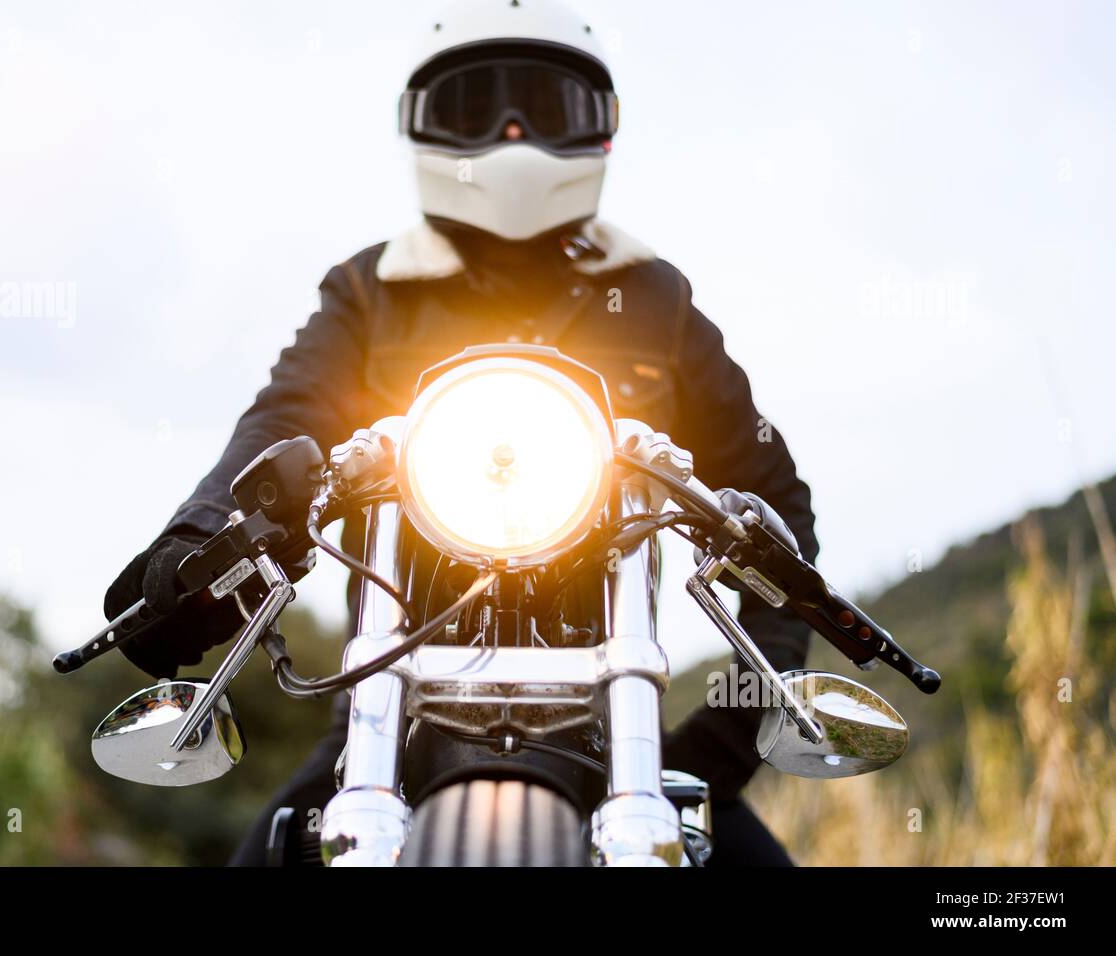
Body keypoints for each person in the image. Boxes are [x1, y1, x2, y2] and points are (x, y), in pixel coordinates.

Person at [104, 0, 817, 867]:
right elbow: (281, 422)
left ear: (600, 128)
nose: (512, 133)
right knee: (268, 852)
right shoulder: (369, 291)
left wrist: (724, 739)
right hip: (385, 700)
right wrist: (196, 537)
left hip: (613, 701)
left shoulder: (655, 298)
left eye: (545, 108)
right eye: (476, 105)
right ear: (422, 122)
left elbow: (768, 493)